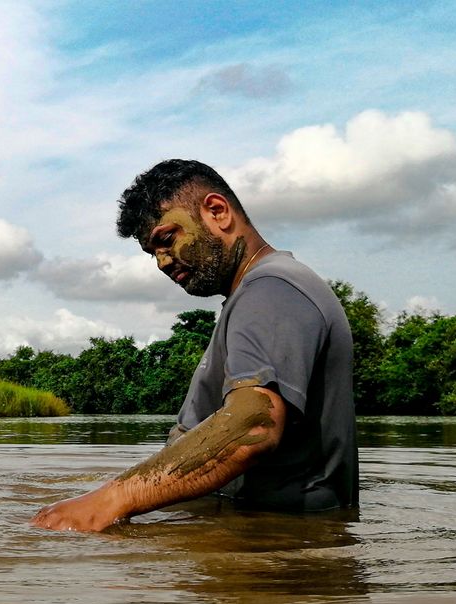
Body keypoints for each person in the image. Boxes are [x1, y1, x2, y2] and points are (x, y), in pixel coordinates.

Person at [32, 159, 357, 532]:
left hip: (269, 551)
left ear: (217, 211)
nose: (161, 262)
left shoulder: (271, 290)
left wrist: (109, 500)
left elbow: (253, 425)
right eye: (152, 253)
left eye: (166, 240)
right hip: (238, 534)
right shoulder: (257, 295)